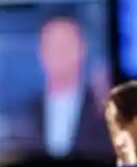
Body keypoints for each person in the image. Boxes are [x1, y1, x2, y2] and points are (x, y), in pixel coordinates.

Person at [26, 14, 112, 158]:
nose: (59, 53)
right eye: (52, 45)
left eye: (66, 45)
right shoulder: (28, 115)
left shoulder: (101, 110)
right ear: (41, 52)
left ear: (82, 49)